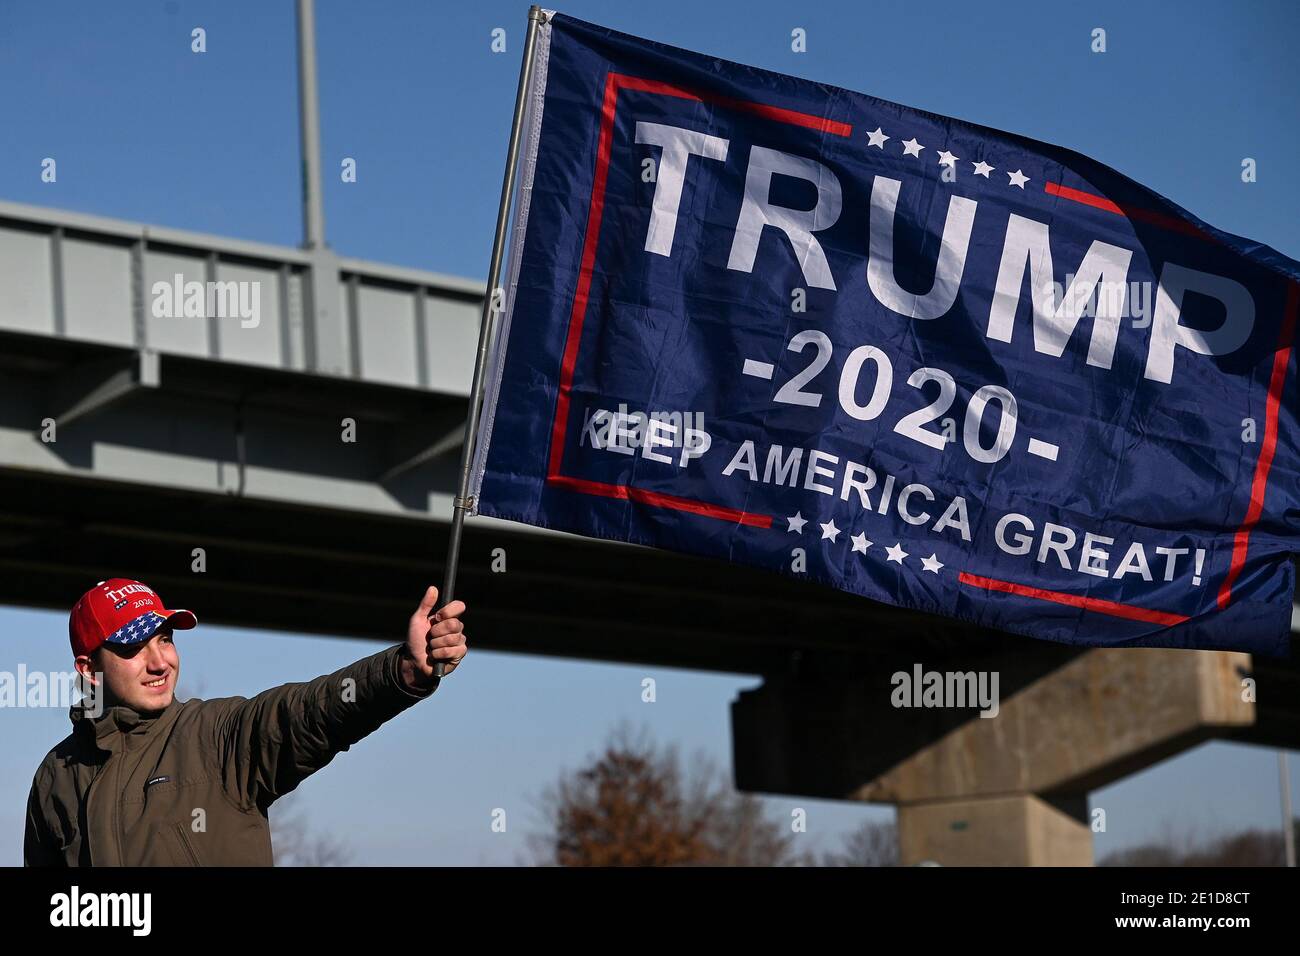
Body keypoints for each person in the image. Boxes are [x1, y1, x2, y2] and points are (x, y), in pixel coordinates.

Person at [23, 577, 466, 866]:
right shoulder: (55, 777)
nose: (160, 662)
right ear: (87, 668)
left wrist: (403, 670)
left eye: (165, 639)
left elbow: (312, 711)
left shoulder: (217, 736)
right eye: (133, 647)